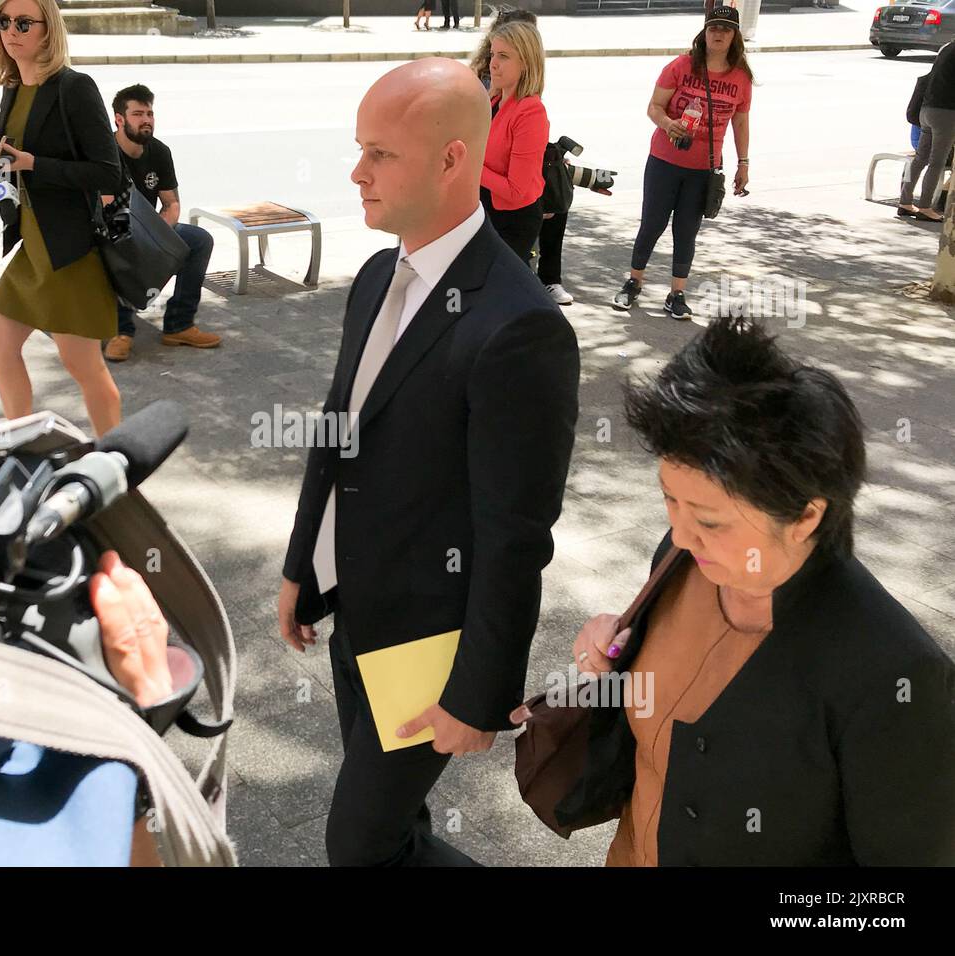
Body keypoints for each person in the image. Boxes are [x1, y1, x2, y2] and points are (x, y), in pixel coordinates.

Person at [277, 58, 579, 866]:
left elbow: (516, 536)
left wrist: (479, 695)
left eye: (381, 154)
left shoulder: (521, 327)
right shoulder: (378, 275)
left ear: (452, 160)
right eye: (359, 149)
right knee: (395, 836)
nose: (356, 172)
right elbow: (338, 429)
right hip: (354, 615)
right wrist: (301, 566)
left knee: (358, 844)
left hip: (428, 647)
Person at [511, 317, 955, 866]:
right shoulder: (681, 562)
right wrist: (607, 666)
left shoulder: (894, 674)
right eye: (669, 499)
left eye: (709, 520)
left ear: (804, 516)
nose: (679, 533)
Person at [0, 0, 123, 436]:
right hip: (33, 250)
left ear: (47, 29)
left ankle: (120, 462)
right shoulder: (13, 88)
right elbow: (10, 176)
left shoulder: (73, 88)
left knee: (83, 365)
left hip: (69, 253)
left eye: (23, 22)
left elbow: (108, 172)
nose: (10, 31)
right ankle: (21, 442)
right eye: (3, 21)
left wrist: (35, 163)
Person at [611, 6, 751, 320]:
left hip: (704, 168)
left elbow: (740, 123)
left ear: (734, 36)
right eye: (713, 27)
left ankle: (676, 293)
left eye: (725, 30)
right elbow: (654, 107)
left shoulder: (741, 78)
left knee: (686, 231)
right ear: (704, 32)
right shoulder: (681, 65)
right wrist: (667, 123)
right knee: (652, 224)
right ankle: (634, 282)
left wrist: (743, 163)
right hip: (665, 160)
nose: (718, 34)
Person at [104, 84, 220, 363]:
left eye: (150, 113)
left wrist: (157, 241)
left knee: (199, 240)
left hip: (149, 229)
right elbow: (105, 208)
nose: (146, 120)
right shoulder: (104, 153)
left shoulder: (159, 151)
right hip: (110, 229)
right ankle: (121, 331)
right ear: (119, 119)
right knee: (119, 250)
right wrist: (138, 244)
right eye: (137, 114)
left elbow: (171, 204)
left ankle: (179, 325)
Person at [480, 20, 549, 269]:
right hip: (486, 212)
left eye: (504, 56)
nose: (493, 63)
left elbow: (516, 189)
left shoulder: (530, 112)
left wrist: (471, 166)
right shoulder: (493, 100)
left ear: (526, 63)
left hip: (512, 222)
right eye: (492, 54)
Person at [899, 43, 955, 222]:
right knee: (937, 162)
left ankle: (905, 202)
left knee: (920, 158)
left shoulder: (947, 48)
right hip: (946, 113)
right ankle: (925, 207)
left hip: (927, 109)